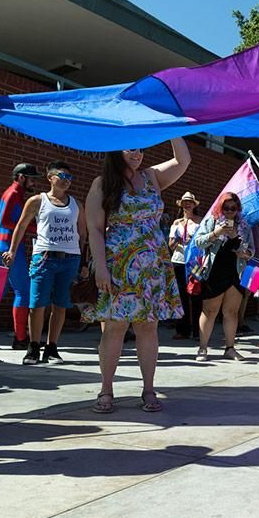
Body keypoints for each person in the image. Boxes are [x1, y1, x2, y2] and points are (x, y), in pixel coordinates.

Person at [84, 139, 189, 414]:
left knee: (148, 327)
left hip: (153, 268)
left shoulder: (152, 176)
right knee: (115, 327)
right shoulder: (103, 184)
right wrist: (101, 269)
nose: (137, 154)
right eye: (130, 148)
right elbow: (95, 229)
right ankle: (106, 389)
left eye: (141, 149)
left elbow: (183, 161)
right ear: (116, 150)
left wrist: (173, 129)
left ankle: (149, 389)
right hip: (118, 266)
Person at [4, 161, 87, 365]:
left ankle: (52, 347)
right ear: (50, 177)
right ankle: (33, 347)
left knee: (60, 305)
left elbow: (82, 234)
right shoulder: (37, 200)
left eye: (70, 177)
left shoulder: (76, 205)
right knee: (37, 304)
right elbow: (21, 226)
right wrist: (12, 251)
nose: (66, 180)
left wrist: (84, 262)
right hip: (44, 258)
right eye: (62, 176)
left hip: (70, 259)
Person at [0, 162, 41, 351]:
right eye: (32, 179)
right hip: (10, 249)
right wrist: (33, 228)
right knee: (23, 291)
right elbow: (3, 221)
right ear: (21, 177)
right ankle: (20, 339)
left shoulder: (15, 193)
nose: (34, 183)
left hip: (3, 247)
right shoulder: (13, 194)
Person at [193, 192, 253, 361]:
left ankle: (230, 348)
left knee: (231, 312)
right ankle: (203, 348)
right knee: (210, 311)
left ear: (238, 209)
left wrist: (245, 251)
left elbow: (251, 250)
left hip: (235, 271)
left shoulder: (244, 225)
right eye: (226, 208)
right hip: (214, 270)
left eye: (233, 208)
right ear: (220, 207)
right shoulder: (211, 221)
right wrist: (216, 233)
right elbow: (198, 242)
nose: (229, 211)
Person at [168, 191, 202, 340]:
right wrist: (178, 240)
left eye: (189, 202)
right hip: (179, 261)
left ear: (194, 205)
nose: (187, 204)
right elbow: (170, 245)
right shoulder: (177, 223)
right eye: (184, 202)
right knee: (181, 296)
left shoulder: (200, 222)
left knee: (196, 295)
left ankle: (197, 329)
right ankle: (182, 329)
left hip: (195, 262)